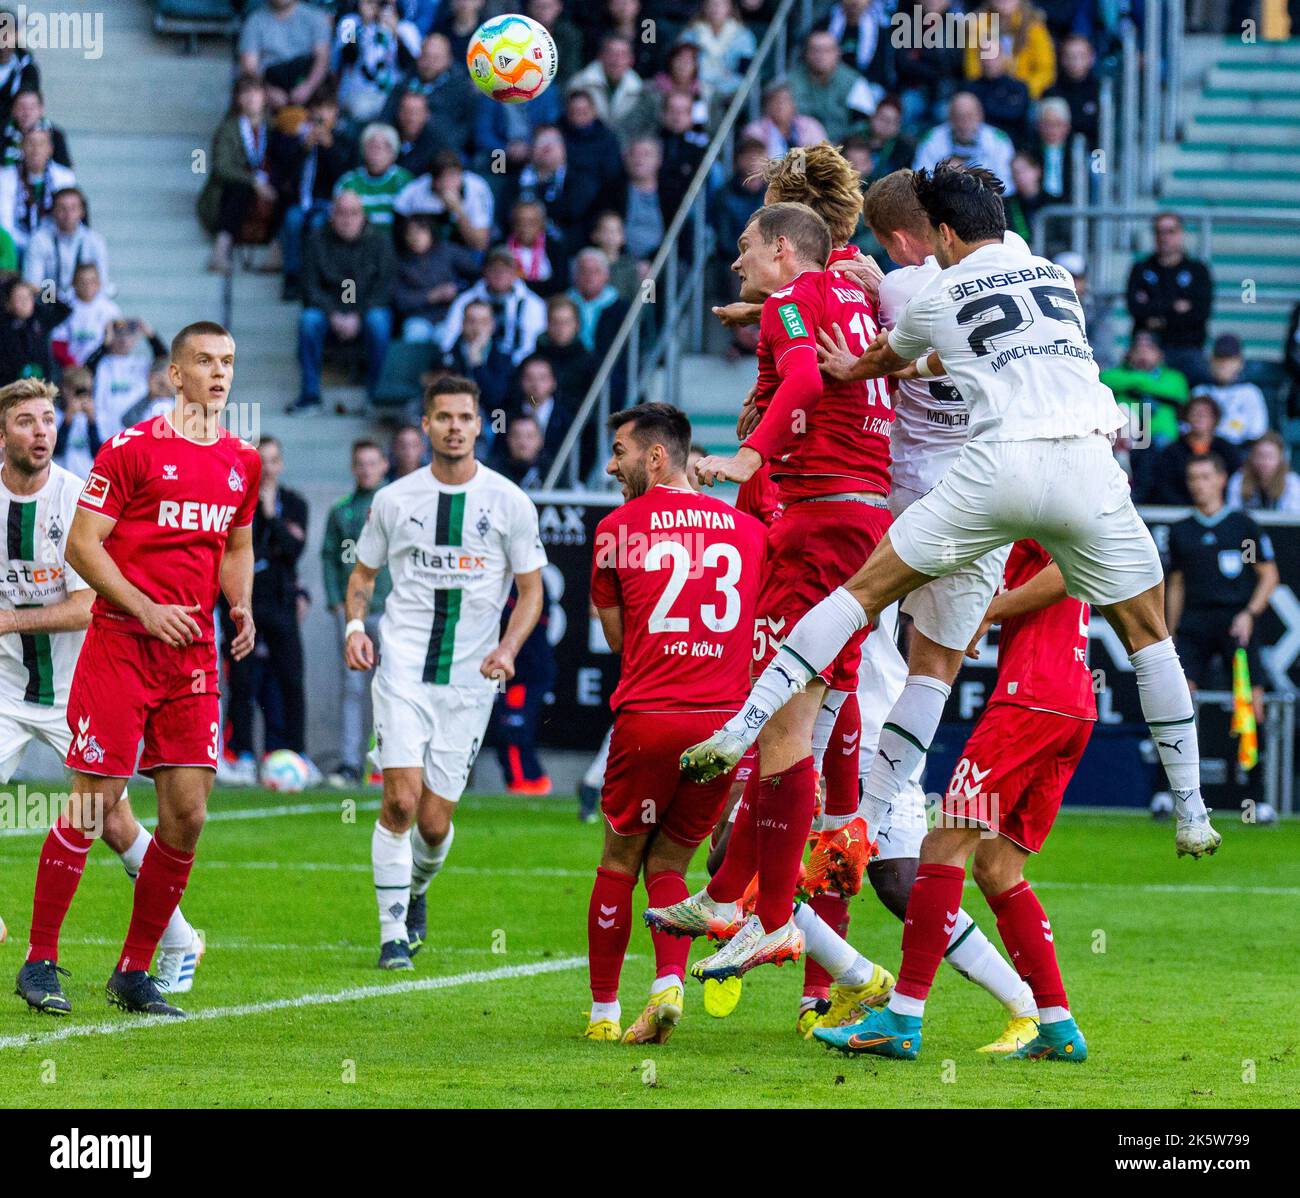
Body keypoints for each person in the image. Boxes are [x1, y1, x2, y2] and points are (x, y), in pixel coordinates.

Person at [680, 165, 1222, 982]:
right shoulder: (1047, 269)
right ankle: (1192, 810)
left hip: (981, 476)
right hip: (1088, 464)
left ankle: (746, 737)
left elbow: (867, 358)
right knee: (1147, 639)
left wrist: (833, 349)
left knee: (864, 604)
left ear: (930, 236)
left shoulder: (917, 291)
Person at [649, 202, 894, 978]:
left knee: (780, 733)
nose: (736, 260)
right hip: (865, 517)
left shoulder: (796, 301)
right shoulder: (860, 290)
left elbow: (798, 378)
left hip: (820, 519)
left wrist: (752, 454)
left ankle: (776, 919)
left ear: (783, 247)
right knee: (800, 728)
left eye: (746, 246)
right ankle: (730, 896)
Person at [16, 321, 259, 1019]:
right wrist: (147, 609)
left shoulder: (242, 461)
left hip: (192, 657)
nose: (219, 374)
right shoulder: (132, 450)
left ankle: (132, 969)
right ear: (174, 376)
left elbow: (236, 544)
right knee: (95, 805)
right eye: (205, 362)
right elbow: (85, 549)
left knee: (186, 814)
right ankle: (39, 960)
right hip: (123, 644)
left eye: (229, 363)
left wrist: (238, 603)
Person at [816, 541, 1096, 1062]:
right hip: (1071, 702)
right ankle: (1057, 1025)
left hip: (1028, 701)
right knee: (997, 868)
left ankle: (902, 1018)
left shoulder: (1040, 494)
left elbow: (1067, 569)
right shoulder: (1075, 498)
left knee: (942, 844)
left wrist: (986, 609)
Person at [2, 380, 205, 1013]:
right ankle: (41, 957)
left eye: (49, 420)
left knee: (107, 818)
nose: (42, 431)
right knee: (98, 816)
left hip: (78, 685)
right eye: (27, 421)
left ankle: (178, 939)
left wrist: (8, 621)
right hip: (4, 688)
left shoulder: (76, 496)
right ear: (2, 435)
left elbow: (91, 604)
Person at [345, 375, 546, 970]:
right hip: (403, 666)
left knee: (433, 824)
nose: (455, 426)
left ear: (479, 425)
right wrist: (356, 630)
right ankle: (390, 936)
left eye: (465, 416)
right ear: (425, 427)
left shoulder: (508, 501)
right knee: (401, 803)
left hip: (469, 681)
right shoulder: (395, 499)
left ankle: (418, 889)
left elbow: (531, 592)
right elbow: (362, 579)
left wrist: (508, 648)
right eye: (443, 417)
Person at [584, 402, 767, 1043]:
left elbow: (618, 640)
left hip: (650, 716)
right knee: (672, 862)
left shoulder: (616, 529)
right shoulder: (748, 530)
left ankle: (604, 1014)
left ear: (656, 456)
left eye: (620, 451)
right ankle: (667, 985)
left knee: (618, 860)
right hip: (724, 724)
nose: (611, 465)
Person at [1167, 454, 1280, 822]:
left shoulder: (1242, 524)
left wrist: (1249, 613)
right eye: (1192, 477)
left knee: (1251, 702)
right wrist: (1169, 634)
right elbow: (1177, 584)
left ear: (1220, 480)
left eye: (1204, 476)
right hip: (1195, 623)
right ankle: (1169, 795)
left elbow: (1269, 575)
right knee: (1175, 701)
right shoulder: (1181, 529)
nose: (1198, 483)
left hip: (1235, 620)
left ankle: (1256, 797)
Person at [224, 436, 308, 775]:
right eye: (262, 461)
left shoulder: (294, 502)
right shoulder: (236, 502)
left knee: (291, 679)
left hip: (281, 603)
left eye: (273, 461)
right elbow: (235, 551)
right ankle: (241, 753)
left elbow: (293, 550)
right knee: (241, 680)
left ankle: (297, 753)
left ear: (281, 464)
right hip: (244, 603)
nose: (268, 468)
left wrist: (272, 514)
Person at [322, 439, 392, 787]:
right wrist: (337, 601)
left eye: (372, 462)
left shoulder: (398, 504)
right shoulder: (342, 509)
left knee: (392, 688)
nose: (366, 469)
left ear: (384, 465)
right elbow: (328, 555)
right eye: (360, 463)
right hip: (354, 613)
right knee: (352, 688)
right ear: (353, 468)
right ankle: (351, 763)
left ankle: (387, 762)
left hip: (392, 610)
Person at [295, 190, 396, 412]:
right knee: (309, 320)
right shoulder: (316, 240)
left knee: (378, 321)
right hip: (329, 313)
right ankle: (310, 396)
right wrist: (333, 314)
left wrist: (357, 315)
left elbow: (385, 288)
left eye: (353, 213)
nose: (347, 219)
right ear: (331, 215)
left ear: (363, 216)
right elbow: (309, 287)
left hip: (366, 312)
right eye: (341, 213)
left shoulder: (380, 242)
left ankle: (377, 396)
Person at [198, 75, 280, 276]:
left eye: (255, 92)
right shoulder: (228, 128)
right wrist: (253, 182)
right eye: (245, 93)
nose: (251, 97)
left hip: (268, 190)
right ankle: (221, 249)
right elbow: (221, 167)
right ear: (238, 99)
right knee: (240, 188)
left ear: (264, 97)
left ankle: (278, 250)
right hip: (233, 193)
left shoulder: (274, 127)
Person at [1126, 212, 1213, 386]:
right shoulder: (1140, 268)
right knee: (1134, 391)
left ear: (1181, 234)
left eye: (1170, 231)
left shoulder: (1198, 271)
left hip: (1187, 349)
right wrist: (1176, 307)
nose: (1164, 237)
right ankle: (1145, 413)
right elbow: (1135, 309)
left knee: (1202, 384)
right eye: (1159, 232)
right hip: (1148, 351)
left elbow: (1200, 313)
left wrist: (1155, 310)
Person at [438, 246, 547, 366]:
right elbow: (449, 339)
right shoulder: (465, 300)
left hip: (515, 366)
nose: (500, 275)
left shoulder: (532, 303)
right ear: (485, 271)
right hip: (469, 360)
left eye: (505, 270)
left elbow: (530, 346)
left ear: (515, 273)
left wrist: (510, 366)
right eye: (494, 269)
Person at [333, 0, 421, 123]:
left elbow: (410, 66)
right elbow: (346, 57)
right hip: (353, 93)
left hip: (389, 98)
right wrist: (363, 24)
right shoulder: (349, 23)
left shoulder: (408, 29)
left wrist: (396, 34)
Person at [786, 30, 881, 144]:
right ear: (806, 53)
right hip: (801, 147)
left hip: (843, 149)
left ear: (837, 53)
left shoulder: (853, 81)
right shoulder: (791, 81)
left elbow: (865, 122)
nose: (820, 56)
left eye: (827, 51)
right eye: (815, 50)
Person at [1146, 394, 1242, 506]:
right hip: (1179, 510)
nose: (1200, 417)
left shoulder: (1227, 449)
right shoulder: (1171, 451)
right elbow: (1164, 485)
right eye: (1195, 413)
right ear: (1186, 417)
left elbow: (1235, 482)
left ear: (1215, 418)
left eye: (1205, 414)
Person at [237, 0, 332, 111]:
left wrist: (308, 87)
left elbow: (322, 59)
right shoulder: (254, 21)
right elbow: (249, 68)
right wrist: (267, 91)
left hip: (307, 83)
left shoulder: (315, 17)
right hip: (269, 85)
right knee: (250, 94)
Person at [394, 148, 492, 252]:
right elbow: (400, 219)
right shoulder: (415, 192)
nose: (449, 184)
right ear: (433, 181)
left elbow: (480, 244)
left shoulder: (476, 189)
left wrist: (458, 210)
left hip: (465, 249)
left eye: (453, 176)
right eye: (444, 178)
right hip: (428, 251)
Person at [566, 34, 658, 145]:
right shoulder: (579, 83)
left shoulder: (640, 91)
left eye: (622, 54)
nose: (617, 60)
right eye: (611, 53)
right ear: (601, 56)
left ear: (631, 59)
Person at [22, 187, 107, 306]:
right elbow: (33, 283)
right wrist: (55, 306)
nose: (68, 214)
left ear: (82, 212)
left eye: (73, 208)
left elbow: (101, 283)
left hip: (84, 303)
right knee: (47, 283)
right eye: (62, 208)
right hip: (49, 303)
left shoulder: (94, 241)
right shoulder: (39, 240)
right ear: (54, 211)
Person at [913, 92, 1014, 191]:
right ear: (950, 117)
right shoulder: (931, 139)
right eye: (959, 117)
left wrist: (974, 181)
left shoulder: (999, 141)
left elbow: (1007, 185)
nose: (964, 123)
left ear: (980, 115)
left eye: (970, 116)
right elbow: (919, 179)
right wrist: (943, 176)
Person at [0, 125, 76, 256]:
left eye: (41, 144)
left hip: (53, 245)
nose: (36, 150)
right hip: (16, 246)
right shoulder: (6, 176)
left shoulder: (64, 176)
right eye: (30, 143)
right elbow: (4, 220)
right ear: (22, 148)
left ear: (50, 149)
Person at [392, 214, 461, 342]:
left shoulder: (448, 252)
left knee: (446, 336)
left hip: (449, 315)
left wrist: (457, 288)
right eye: (410, 233)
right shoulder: (400, 263)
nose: (415, 237)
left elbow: (476, 275)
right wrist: (432, 296)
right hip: (417, 317)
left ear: (431, 233)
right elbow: (400, 301)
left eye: (421, 232)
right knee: (415, 334)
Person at [1194, 333, 1269, 447]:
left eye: (1230, 360)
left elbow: (1257, 433)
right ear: (1211, 361)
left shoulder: (1250, 392)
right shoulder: (1200, 391)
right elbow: (1187, 429)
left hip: (1240, 452)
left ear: (1240, 362)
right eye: (1219, 359)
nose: (1224, 365)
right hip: (1205, 453)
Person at [335, 123, 412, 229]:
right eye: (372, 145)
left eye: (385, 146)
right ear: (363, 150)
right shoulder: (348, 182)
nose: (377, 150)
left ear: (394, 152)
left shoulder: (405, 181)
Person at [681, 0, 757, 100]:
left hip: (731, 94)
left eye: (720, 4)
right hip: (696, 90)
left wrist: (722, 88)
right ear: (704, 7)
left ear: (730, 7)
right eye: (711, 4)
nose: (715, 8)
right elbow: (683, 66)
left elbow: (744, 72)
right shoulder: (691, 34)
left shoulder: (744, 37)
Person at [741, 83, 828, 159]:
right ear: (766, 106)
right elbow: (753, 166)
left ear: (794, 104)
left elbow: (823, 158)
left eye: (785, 100)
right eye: (775, 100)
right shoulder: (754, 131)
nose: (780, 105)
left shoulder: (811, 126)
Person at [1228, 431, 1300, 514]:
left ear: (1280, 459)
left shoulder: (1292, 481)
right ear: (1251, 457)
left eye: (1270, 456)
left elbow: (1293, 518)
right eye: (1260, 455)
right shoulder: (1238, 479)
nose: (1265, 461)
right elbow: (1233, 515)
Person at [52, 366, 99, 477]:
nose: (82, 397)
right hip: (62, 478)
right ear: (65, 390)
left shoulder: (93, 416)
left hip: (85, 478)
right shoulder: (54, 415)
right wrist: (68, 419)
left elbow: (97, 453)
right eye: (78, 391)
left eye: (86, 392)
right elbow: (56, 451)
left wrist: (92, 423)